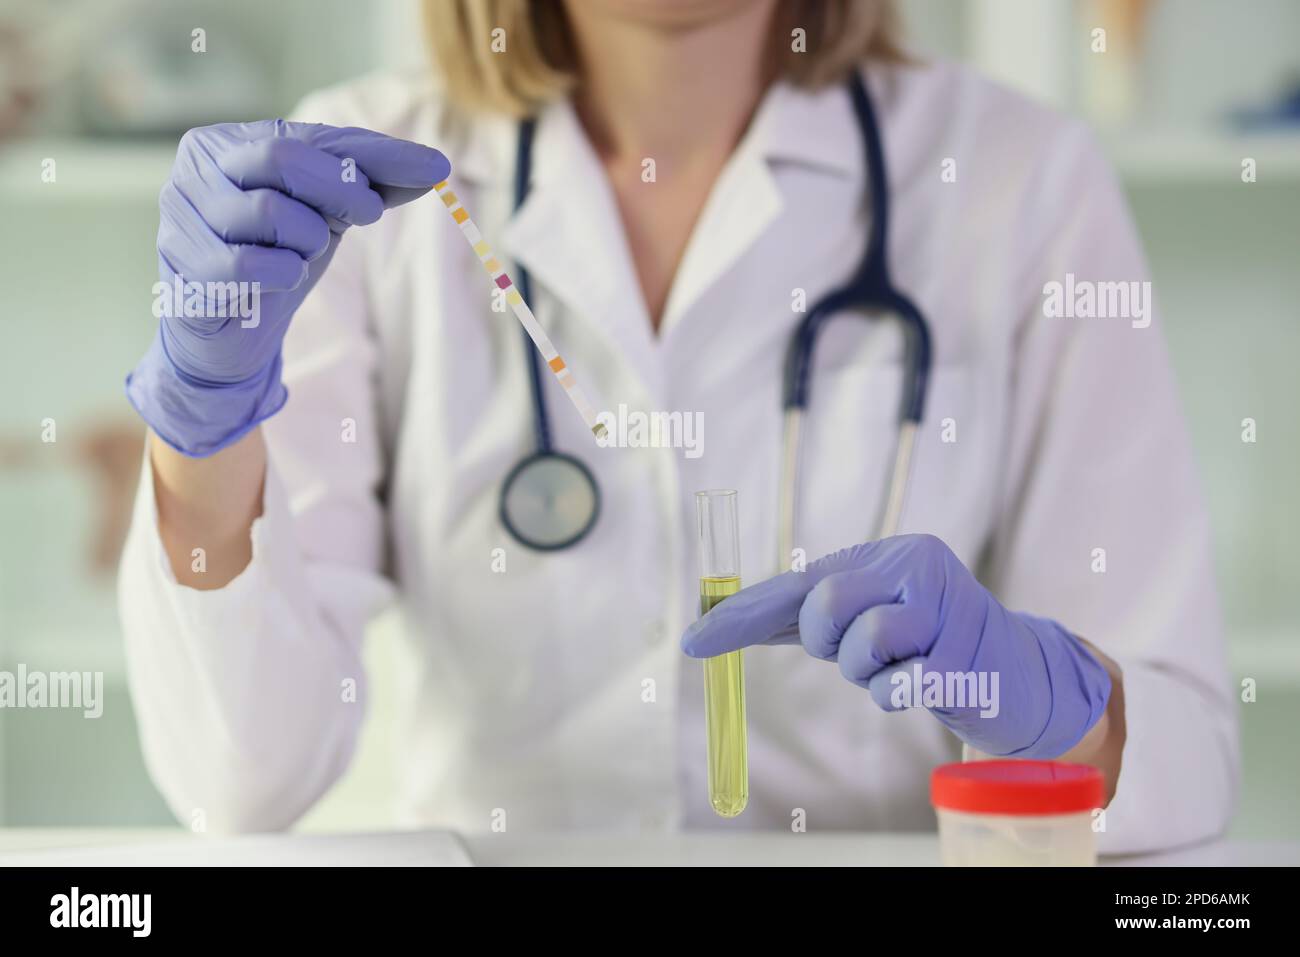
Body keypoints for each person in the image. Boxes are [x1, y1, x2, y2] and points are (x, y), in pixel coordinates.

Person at [117, 0, 1236, 850]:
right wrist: (201, 432)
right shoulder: (347, 178)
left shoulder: (1018, 178)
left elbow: (1184, 750)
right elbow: (241, 778)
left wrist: (1050, 706)